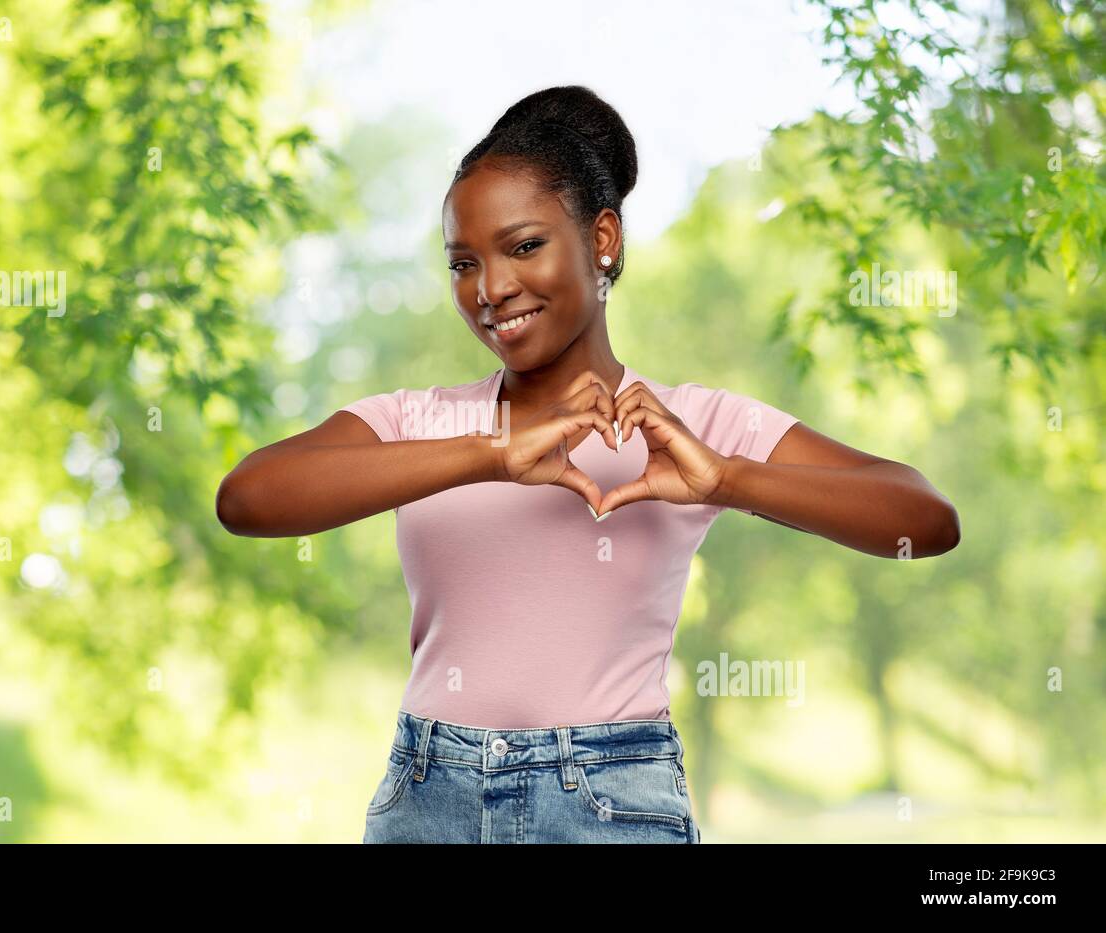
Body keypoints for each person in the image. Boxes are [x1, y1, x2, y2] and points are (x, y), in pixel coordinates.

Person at [215, 85, 961, 844]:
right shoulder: (422, 422)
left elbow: (924, 518)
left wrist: (731, 479)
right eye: (462, 262)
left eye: (524, 246)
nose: (490, 288)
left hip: (610, 802)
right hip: (427, 800)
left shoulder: (692, 425)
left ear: (602, 238)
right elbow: (247, 499)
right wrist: (488, 456)